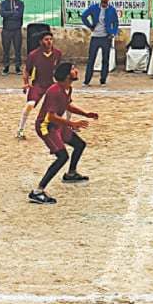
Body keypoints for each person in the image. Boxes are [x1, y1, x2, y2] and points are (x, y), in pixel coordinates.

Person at [29, 62, 98, 204]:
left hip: (58, 124)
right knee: (62, 157)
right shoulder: (54, 91)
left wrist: (86, 114)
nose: (76, 71)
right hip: (46, 127)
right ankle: (38, 191)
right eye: (73, 69)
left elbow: (67, 105)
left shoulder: (67, 89)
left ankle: (71, 173)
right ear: (67, 75)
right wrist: (72, 124)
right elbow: (51, 116)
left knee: (79, 145)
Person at [17, 31, 62, 140]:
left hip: (52, 84)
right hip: (38, 84)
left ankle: (68, 126)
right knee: (30, 105)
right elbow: (26, 71)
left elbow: (59, 69)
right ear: (41, 41)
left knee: (67, 102)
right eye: (46, 40)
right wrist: (26, 83)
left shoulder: (57, 53)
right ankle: (20, 129)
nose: (49, 42)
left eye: (50, 39)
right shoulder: (33, 55)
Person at [81, 0, 119, 86]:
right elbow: (84, 16)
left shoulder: (112, 10)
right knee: (91, 59)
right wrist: (90, 26)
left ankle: (103, 80)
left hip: (106, 37)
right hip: (95, 37)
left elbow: (116, 23)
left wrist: (113, 32)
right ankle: (87, 81)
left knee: (105, 60)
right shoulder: (94, 8)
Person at [0, 0, 24, 75]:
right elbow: (2, 13)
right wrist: (13, 13)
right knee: (6, 49)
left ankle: (18, 67)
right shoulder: (4, 3)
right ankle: (6, 67)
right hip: (6, 29)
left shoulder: (20, 3)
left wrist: (9, 14)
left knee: (18, 49)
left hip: (17, 29)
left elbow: (19, 15)